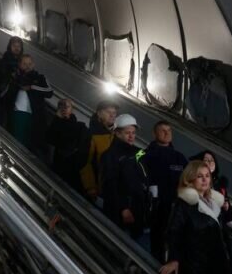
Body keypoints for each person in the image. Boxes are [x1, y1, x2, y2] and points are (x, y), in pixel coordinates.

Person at [159, 161, 232, 274]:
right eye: (199, 176)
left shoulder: (214, 202)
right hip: (197, 269)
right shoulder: (184, 204)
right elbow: (174, 232)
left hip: (220, 267)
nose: (204, 180)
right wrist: (174, 259)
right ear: (189, 179)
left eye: (207, 176)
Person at [99, 114, 152, 250]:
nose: (131, 136)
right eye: (127, 133)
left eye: (133, 133)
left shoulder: (138, 152)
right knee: (121, 245)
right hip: (121, 211)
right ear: (117, 133)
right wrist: (123, 208)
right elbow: (110, 185)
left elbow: (144, 168)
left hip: (139, 207)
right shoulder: (110, 156)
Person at [142, 121, 187, 261]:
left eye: (169, 130)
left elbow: (188, 179)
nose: (167, 133)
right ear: (155, 133)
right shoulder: (143, 153)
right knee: (156, 243)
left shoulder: (180, 157)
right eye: (163, 130)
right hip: (153, 208)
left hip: (175, 208)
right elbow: (133, 169)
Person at [0, 54, 52, 150]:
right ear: (19, 64)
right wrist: (13, 81)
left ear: (33, 64)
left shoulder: (40, 77)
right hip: (17, 113)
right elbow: (3, 94)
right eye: (24, 63)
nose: (27, 66)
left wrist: (31, 87)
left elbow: (49, 92)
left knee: (30, 142)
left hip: (34, 115)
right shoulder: (14, 76)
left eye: (29, 63)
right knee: (17, 140)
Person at [45, 98, 90, 195]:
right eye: (62, 106)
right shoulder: (56, 123)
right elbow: (49, 139)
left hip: (73, 163)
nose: (65, 109)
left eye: (68, 107)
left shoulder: (79, 126)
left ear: (72, 109)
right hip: (59, 161)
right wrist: (57, 118)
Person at [80, 100, 118, 201]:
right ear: (99, 113)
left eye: (114, 113)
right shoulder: (92, 135)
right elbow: (85, 163)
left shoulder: (115, 134)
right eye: (108, 112)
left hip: (114, 188)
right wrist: (90, 187)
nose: (112, 115)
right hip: (99, 191)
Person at [0, 36, 24, 124]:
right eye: (14, 46)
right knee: (4, 117)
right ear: (10, 47)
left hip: (18, 95)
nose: (16, 48)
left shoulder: (23, 61)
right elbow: (1, 74)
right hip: (6, 94)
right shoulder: (5, 59)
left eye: (18, 46)